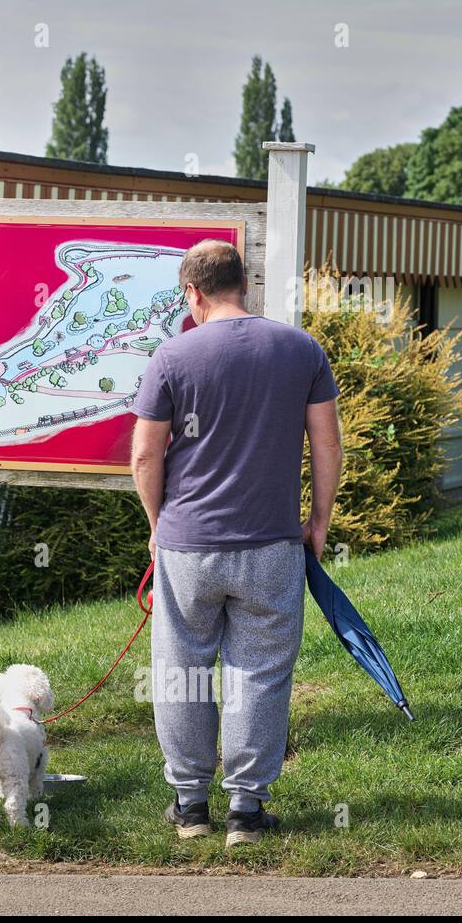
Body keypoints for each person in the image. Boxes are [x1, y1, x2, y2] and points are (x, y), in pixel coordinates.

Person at [130, 239, 343, 846]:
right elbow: (326, 446)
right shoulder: (300, 349)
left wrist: (157, 526)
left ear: (193, 292)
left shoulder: (173, 356)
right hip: (271, 544)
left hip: (188, 546)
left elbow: (146, 453)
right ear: (241, 285)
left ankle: (190, 807)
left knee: (181, 671)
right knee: (259, 672)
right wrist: (318, 523)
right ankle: (246, 812)